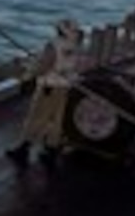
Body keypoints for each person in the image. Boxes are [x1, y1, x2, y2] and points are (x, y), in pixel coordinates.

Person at [6, 18, 82, 169]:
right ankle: (51, 150)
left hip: (49, 86)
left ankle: (24, 148)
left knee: (37, 117)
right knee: (56, 119)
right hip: (64, 87)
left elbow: (44, 67)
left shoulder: (53, 45)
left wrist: (29, 74)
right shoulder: (75, 45)